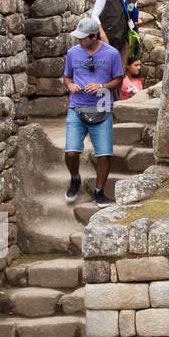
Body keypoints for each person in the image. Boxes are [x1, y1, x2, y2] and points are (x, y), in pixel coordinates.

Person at [62, 16, 124, 206]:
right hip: (76, 107)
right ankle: (74, 178)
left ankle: (99, 192)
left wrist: (102, 86)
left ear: (94, 36)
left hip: (102, 107)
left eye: (83, 38)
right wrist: (70, 86)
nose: (79, 41)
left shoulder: (112, 54)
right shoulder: (73, 53)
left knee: (104, 154)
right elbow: (67, 77)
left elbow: (119, 79)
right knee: (71, 152)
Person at [91, 0, 145, 65]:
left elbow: (131, 15)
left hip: (123, 40)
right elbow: (94, 15)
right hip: (105, 40)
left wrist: (137, 22)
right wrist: (102, 35)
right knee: (104, 68)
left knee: (119, 72)